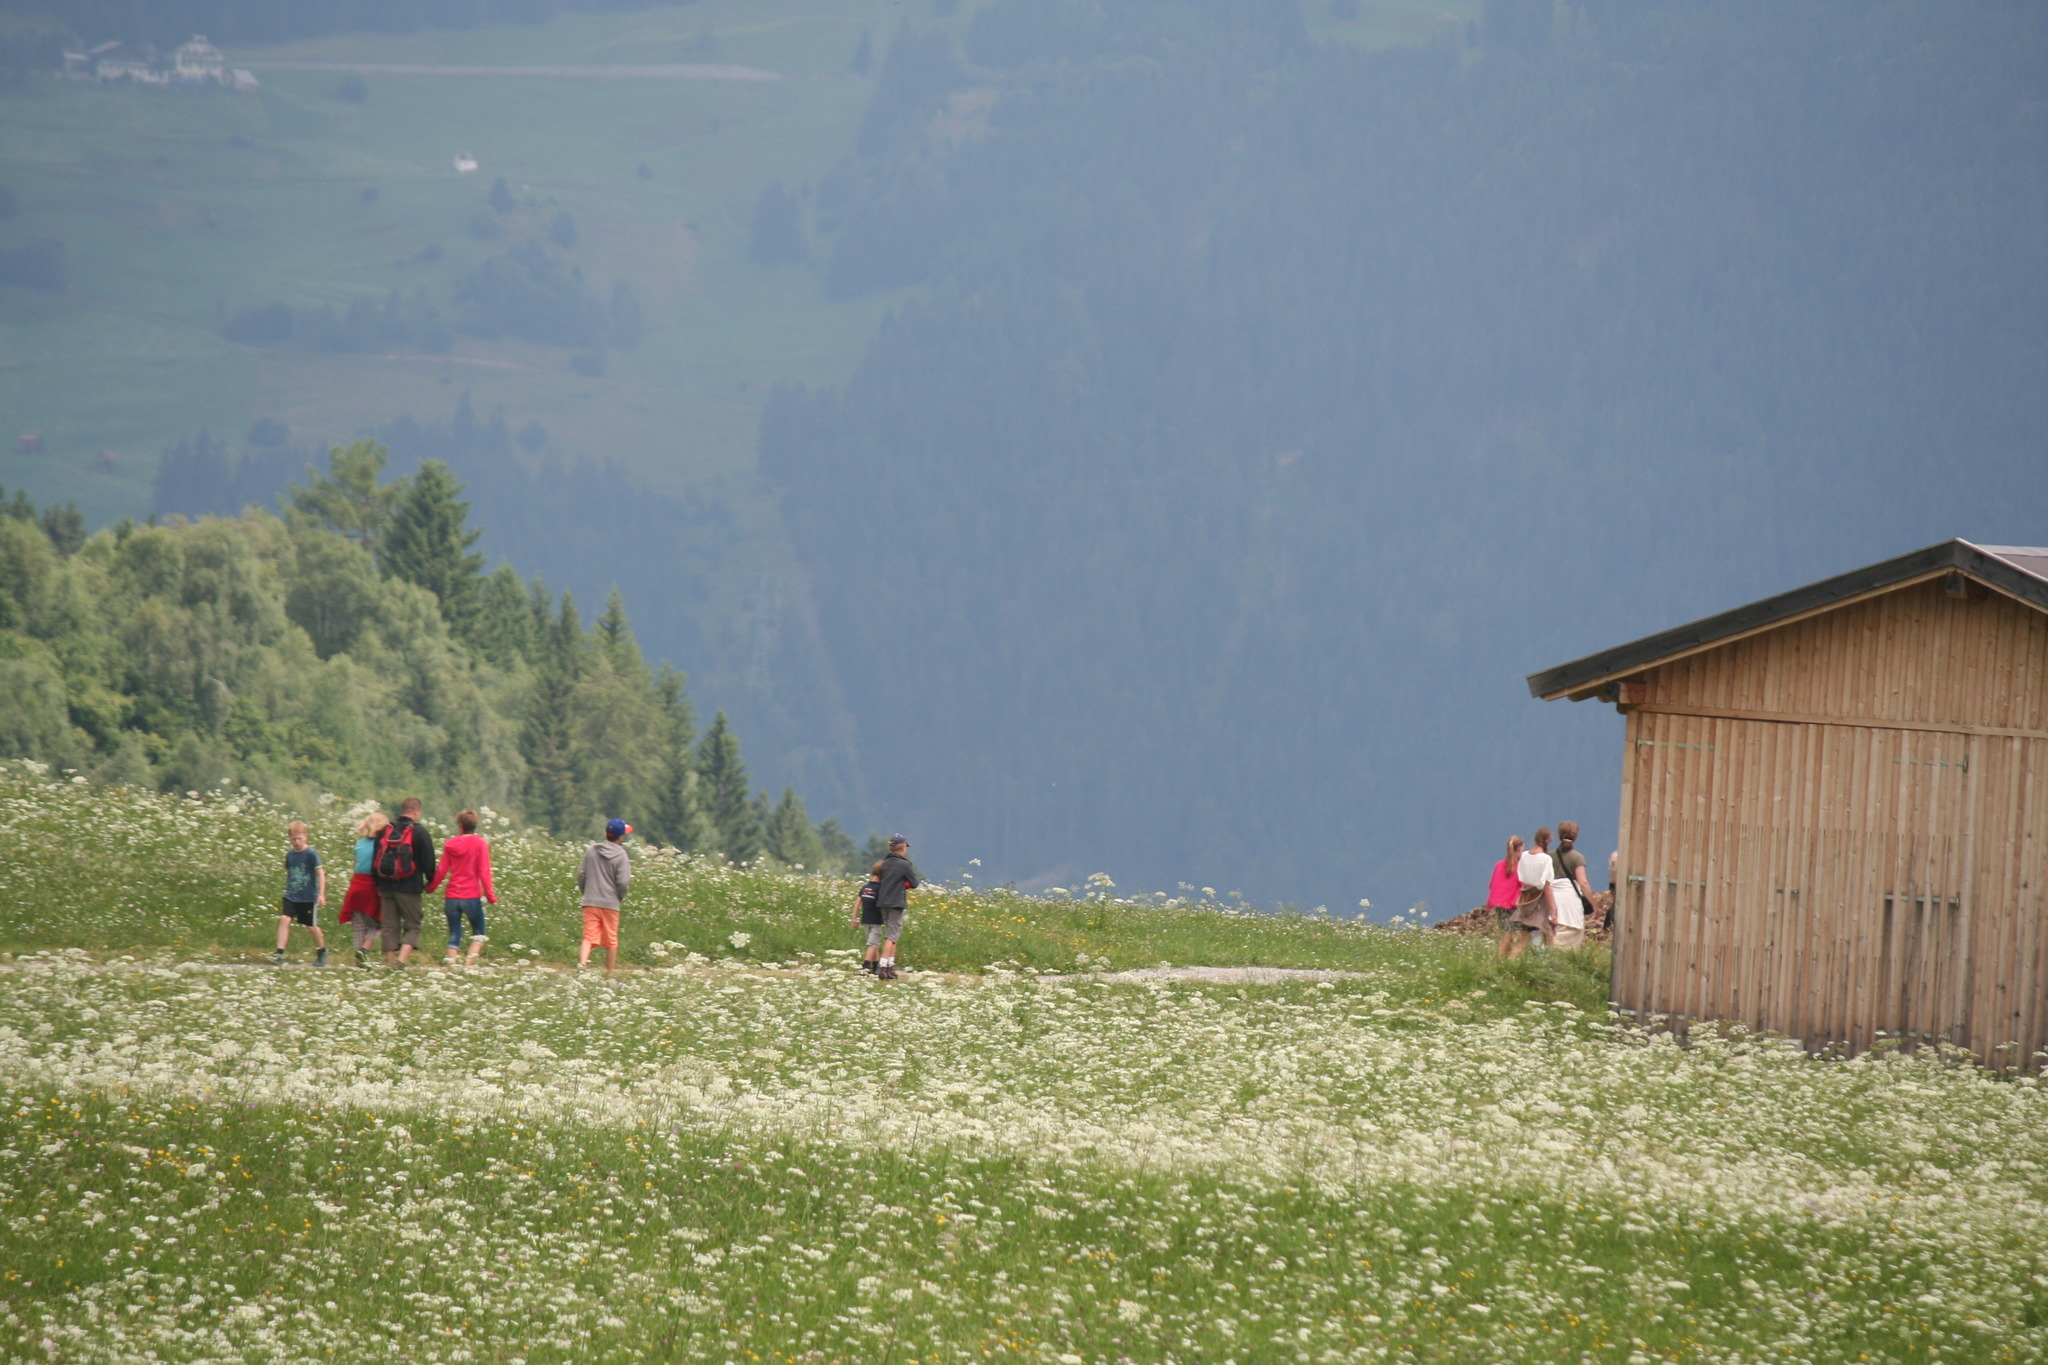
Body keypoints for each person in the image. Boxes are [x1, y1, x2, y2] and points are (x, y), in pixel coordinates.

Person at [427, 808, 496, 968]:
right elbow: (484, 872)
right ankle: (467, 967)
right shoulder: (480, 844)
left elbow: (442, 870)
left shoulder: (450, 845)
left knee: (454, 934)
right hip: (471, 896)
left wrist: (431, 887)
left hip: (451, 896)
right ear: (475, 825)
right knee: (479, 934)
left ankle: (451, 967)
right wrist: (491, 896)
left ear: (460, 826)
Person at [374, 797, 438, 968]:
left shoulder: (385, 830)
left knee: (389, 925)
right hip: (409, 887)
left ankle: (389, 962)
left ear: (402, 810)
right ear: (416, 812)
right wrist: (431, 881)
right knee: (413, 925)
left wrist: (379, 883)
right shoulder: (419, 832)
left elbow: (376, 858)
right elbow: (428, 861)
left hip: (386, 886)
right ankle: (401, 961)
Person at [577, 818, 633, 978]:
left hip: (590, 900)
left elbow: (581, 875)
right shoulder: (621, 855)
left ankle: (582, 964)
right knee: (611, 941)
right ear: (621, 837)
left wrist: (586, 892)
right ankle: (608, 974)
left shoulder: (591, 850)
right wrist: (619, 897)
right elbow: (623, 881)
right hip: (611, 903)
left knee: (589, 936)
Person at [273, 821, 327, 966]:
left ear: (305, 837)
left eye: (299, 838)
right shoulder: (290, 855)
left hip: (308, 897)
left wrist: (321, 894)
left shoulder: (311, 854)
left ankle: (322, 950)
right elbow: (289, 873)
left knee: (311, 926)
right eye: (293, 839)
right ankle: (279, 953)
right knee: (285, 919)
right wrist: (288, 888)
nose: (296, 842)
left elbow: (320, 874)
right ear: (289, 838)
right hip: (292, 895)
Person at [338, 811, 387, 968]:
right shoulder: (382, 845)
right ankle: (365, 950)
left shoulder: (359, 844)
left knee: (358, 925)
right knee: (380, 922)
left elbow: (356, 865)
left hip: (356, 885)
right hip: (371, 886)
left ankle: (359, 958)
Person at [869, 835, 919, 980]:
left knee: (892, 933)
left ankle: (891, 965)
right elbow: (914, 883)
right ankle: (883, 966)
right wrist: (904, 884)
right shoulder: (905, 865)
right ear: (903, 848)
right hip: (896, 902)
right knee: (892, 935)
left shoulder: (883, 863)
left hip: (882, 901)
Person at [1550, 821, 1594, 949]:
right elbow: (1583, 883)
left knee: (1553, 937)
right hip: (1570, 904)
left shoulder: (1550, 857)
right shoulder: (1577, 858)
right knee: (1571, 940)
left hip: (1552, 902)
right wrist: (1594, 905)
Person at [1514, 827, 1559, 953]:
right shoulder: (1546, 859)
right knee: (1549, 936)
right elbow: (1547, 886)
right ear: (1548, 840)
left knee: (1523, 941)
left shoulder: (1524, 856)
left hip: (1526, 899)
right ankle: (1550, 966)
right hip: (1540, 902)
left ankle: (1509, 964)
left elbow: (1521, 876)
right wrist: (1553, 911)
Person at [1488, 835, 1530, 959]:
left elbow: (1492, 885)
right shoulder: (1520, 867)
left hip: (1499, 904)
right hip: (1513, 905)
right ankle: (1505, 962)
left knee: (1507, 935)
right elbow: (1523, 886)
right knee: (1516, 937)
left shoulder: (1499, 865)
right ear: (1520, 848)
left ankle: (1503, 962)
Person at [851, 862, 884, 975]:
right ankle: (865, 967)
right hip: (876, 920)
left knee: (873, 943)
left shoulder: (865, 888)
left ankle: (876, 967)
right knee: (873, 944)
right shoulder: (881, 889)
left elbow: (857, 902)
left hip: (865, 920)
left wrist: (854, 918)